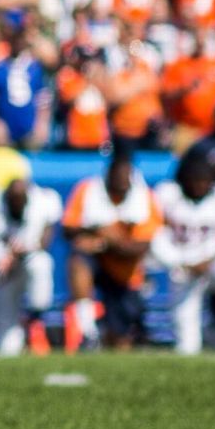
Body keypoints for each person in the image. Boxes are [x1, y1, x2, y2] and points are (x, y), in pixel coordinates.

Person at [150, 151, 215, 355]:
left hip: (214, 265)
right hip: (183, 271)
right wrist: (182, 262)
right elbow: (156, 235)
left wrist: (211, 260)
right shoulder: (169, 195)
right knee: (188, 347)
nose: (200, 185)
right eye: (195, 180)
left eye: (204, 180)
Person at [63, 150, 163, 351]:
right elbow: (69, 229)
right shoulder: (88, 190)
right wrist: (100, 232)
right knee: (78, 260)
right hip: (96, 262)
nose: (121, 183)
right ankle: (87, 330)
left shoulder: (145, 198)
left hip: (126, 272)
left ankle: (110, 338)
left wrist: (104, 239)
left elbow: (139, 247)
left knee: (120, 338)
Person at [0, 176, 63, 356]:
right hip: (2, 256)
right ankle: (8, 341)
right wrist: (8, 256)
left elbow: (44, 242)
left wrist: (21, 251)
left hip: (30, 254)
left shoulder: (44, 202)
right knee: (7, 343)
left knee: (41, 263)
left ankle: (36, 315)